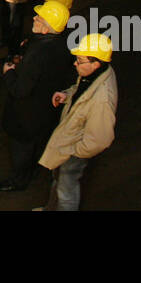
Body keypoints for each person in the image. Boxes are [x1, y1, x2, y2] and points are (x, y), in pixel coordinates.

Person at [0, 0, 73, 192]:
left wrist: (9, 72)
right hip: (45, 111)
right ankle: (32, 171)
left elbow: (20, 90)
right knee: (35, 145)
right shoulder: (62, 45)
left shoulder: (38, 53)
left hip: (26, 115)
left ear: (46, 29)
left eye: (40, 18)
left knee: (21, 149)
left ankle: (19, 180)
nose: (35, 18)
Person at [38, 33, 117, 211]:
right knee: (59, 181)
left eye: (80, 61)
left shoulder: (102, 99)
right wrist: (67, 95)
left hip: (74, 150)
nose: (75, 63)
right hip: (69, 143)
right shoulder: (97, 74)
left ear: (95, 63)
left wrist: (75, 152)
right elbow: (81, 91)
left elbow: (100, 140)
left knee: (67, 190)